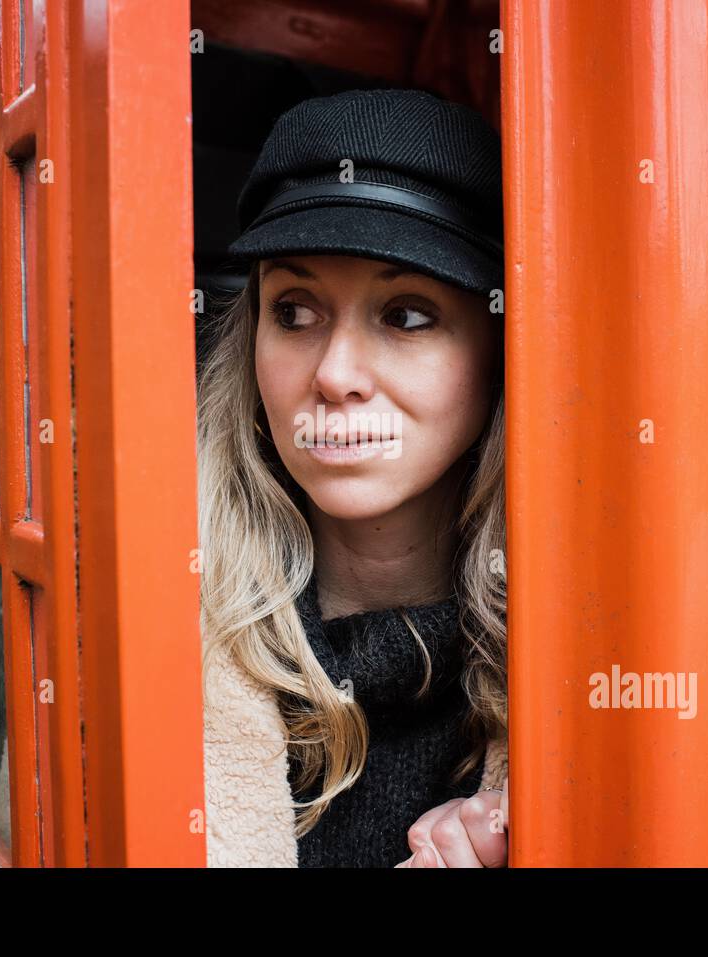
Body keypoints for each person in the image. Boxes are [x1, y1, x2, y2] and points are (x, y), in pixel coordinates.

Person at [198, 87, 508, 868]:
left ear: (500, 349)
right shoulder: (149, 628)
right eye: (295, 311)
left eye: (405, 315)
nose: (335, 374)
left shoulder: (585, 664)